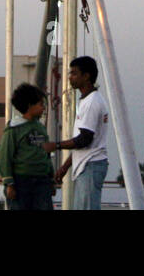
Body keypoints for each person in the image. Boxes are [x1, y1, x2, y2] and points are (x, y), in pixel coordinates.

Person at [45, 56, 110, 210]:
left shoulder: (92, 102)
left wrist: (56, 145)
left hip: (91, 164)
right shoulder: (87, 100)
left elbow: (84, 139)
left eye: (74, 73)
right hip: (86, 164)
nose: (70, 77)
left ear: (86, 76)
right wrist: (65, 166)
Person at [0, 83, 54, 210]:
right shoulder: (14, 129)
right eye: (41, 104)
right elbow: (5, 157)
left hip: (42, 181)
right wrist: (9, 184)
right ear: (30, 105)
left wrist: (51, 178)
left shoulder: (40, 128)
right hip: (21, 182)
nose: (44, 108)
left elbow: (46, 155)